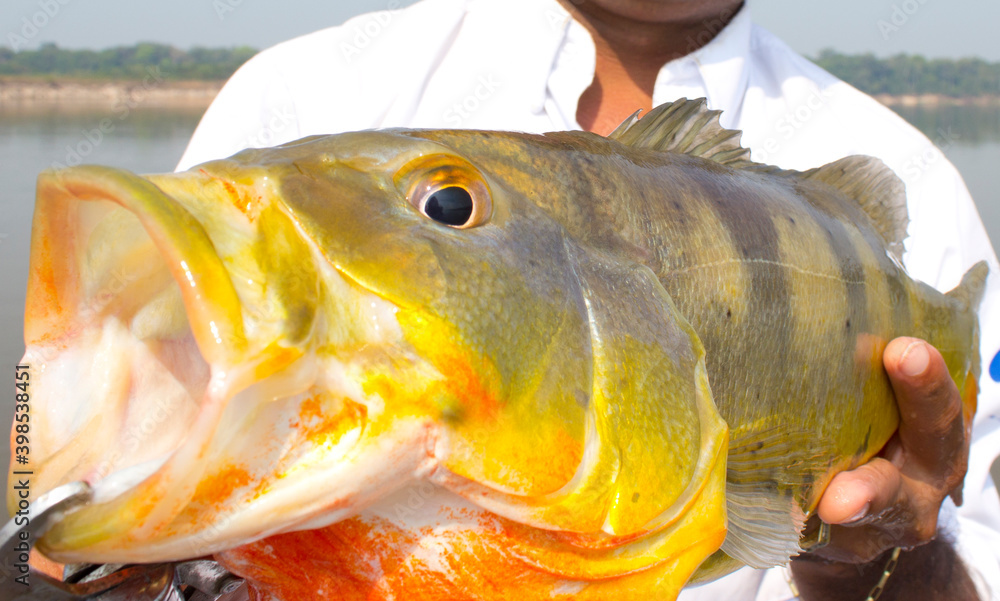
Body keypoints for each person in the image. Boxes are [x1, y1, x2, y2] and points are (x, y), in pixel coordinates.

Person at [177, 0, 1000, 599]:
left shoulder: (914, 176)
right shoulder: (296, 105)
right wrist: (63, 530)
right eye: (447, 207)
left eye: (450, 207)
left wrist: (880, 564)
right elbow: (45, 445)